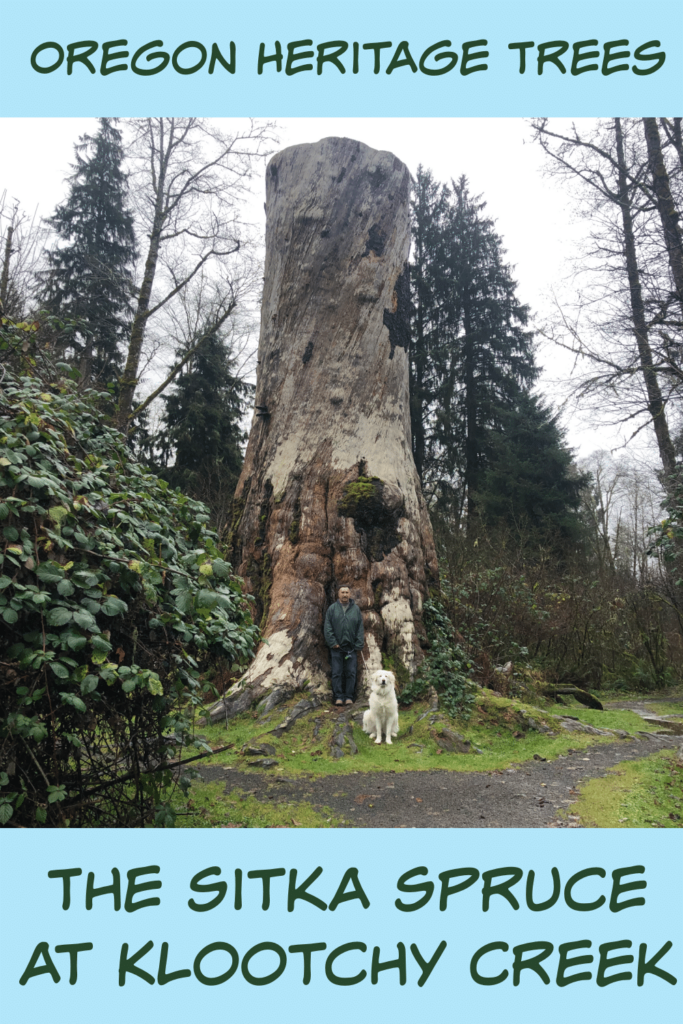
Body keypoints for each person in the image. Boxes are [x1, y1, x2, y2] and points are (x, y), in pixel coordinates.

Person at [324, 585, 365, 706]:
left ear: (350, 594)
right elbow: (327, 627)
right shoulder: (332, 609)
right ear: (338, 594)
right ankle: (338, 697)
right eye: (342, 592)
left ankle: (348, 697)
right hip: (336, 648)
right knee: (337, 672)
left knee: (351, 672)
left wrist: (358, 643)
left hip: (351, 648)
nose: (345, 595)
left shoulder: (356, 609)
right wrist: (333, 642)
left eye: (347, 592)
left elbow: (360, 627)